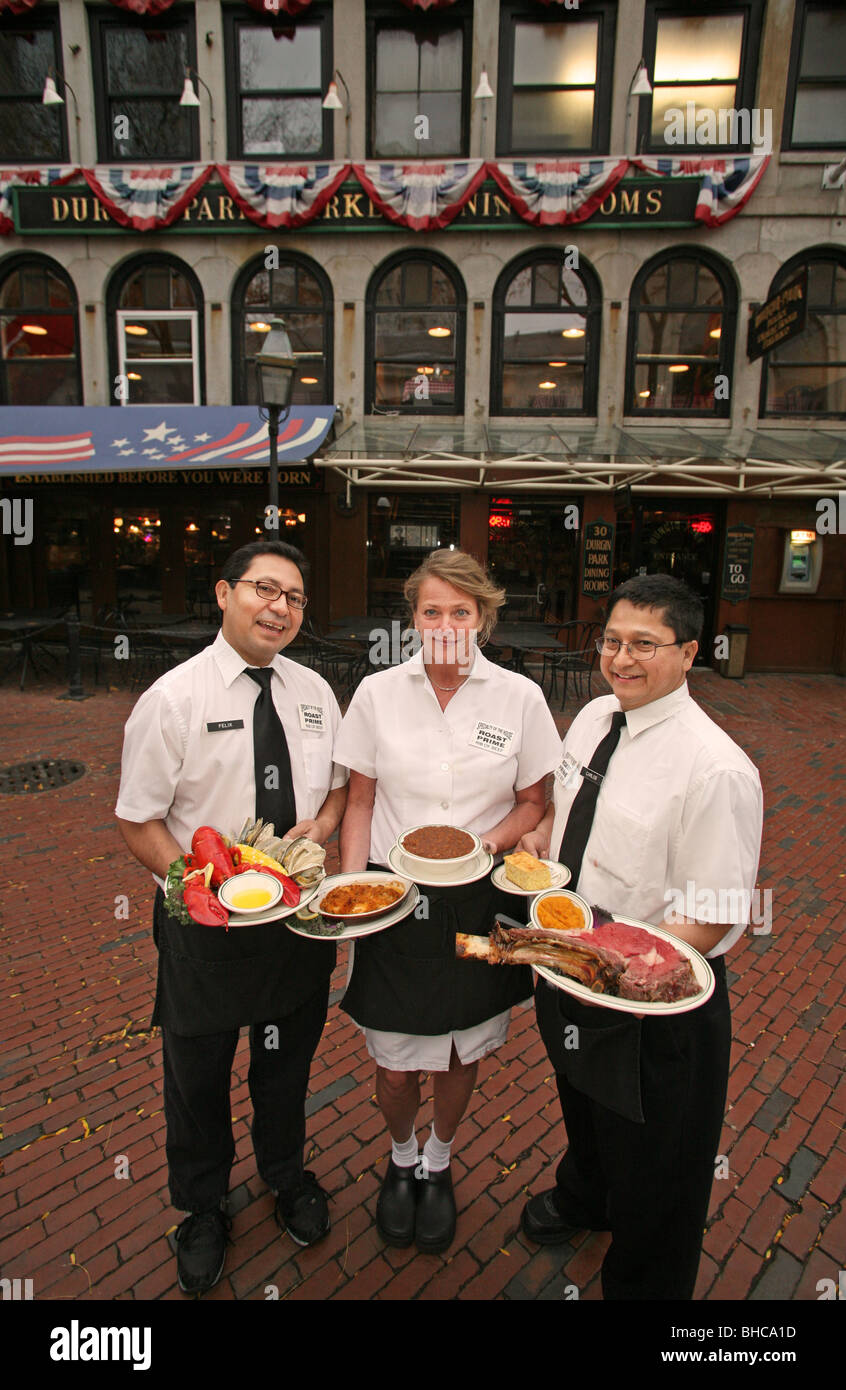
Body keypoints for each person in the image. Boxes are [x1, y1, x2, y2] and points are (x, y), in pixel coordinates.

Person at [517, 574, 763, 1300]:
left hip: (657, 1006)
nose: (621, 659)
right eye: (614, 641)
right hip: (569, 968)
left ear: (689, 653)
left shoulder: (716, 768)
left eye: (645, 646)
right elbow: (568, 820)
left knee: (660, 1171)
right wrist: (536, 847)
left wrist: (600, 962)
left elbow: (715, 914)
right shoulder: (594, 715)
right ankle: (586, 1196)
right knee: (583, 1107)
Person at [115, 540, 347, 1296]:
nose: (280, 607)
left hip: (295, 928)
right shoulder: (173, 700)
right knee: (198, 1077)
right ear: (224, 594)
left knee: (286, 1068)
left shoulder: (315, 691)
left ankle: (285, 1176)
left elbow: (338, 792)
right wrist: (194, 887)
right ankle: (204, 1206)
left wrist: (324, 825)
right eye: (264, 589)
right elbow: (138, 819)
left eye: (295, 597)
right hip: (205, 930)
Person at [335, 549, 561, 1253]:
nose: (445, 624)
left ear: (484, 619)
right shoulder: (377, 693)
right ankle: (400, 1160)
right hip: (394, 898)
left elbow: (535, 803)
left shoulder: (518, 698)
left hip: (476, 904)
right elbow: (361, 801)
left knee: (463, 1047)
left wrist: (486, 845)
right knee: (395, 1056)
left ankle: (439, 1161)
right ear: (413, 619)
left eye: (460, 612)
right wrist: (350, 895)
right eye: (431, 611)